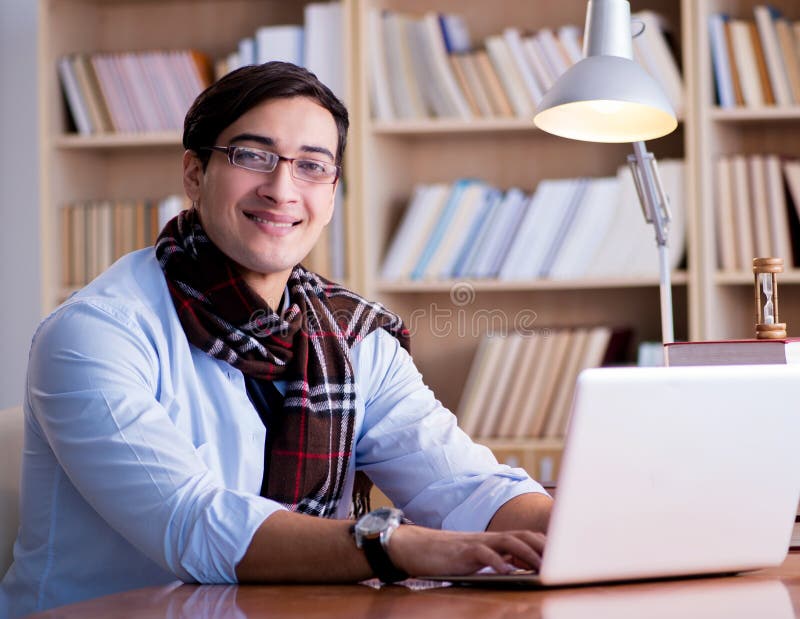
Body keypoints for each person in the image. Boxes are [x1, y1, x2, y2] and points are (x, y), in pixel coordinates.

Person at [0, 62, 552, 618]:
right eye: (252, 156)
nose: (282, 189)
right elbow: (194, 525)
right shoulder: (94, 332)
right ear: (194, 173)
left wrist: (574, 530)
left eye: (312, 166)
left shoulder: (353, 337)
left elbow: (465, 487)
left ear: (333, 192)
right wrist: (390, 544)